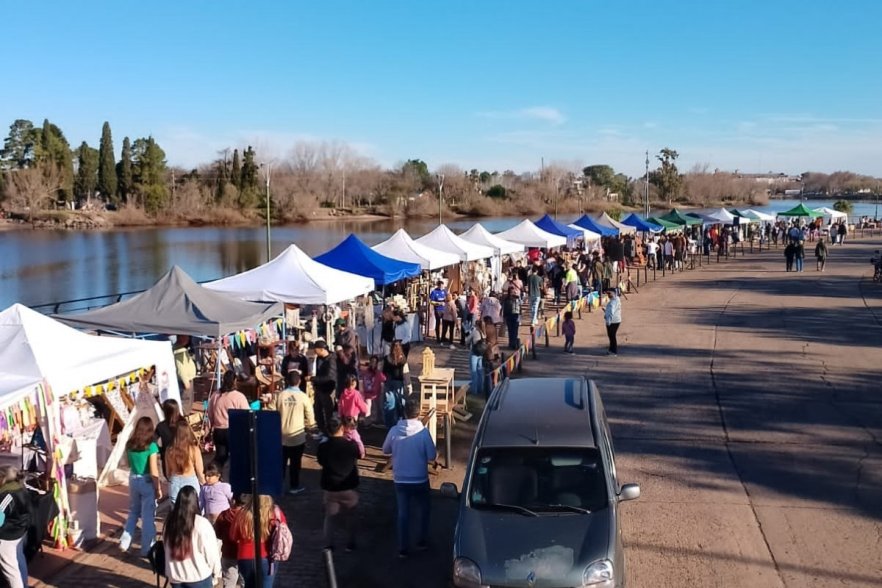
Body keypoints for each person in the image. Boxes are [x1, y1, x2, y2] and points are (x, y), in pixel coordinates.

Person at [382, 395, 436, 558]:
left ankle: (403, 548)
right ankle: (421, 541)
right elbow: (432, 456)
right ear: (418, 413)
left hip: (401, 479)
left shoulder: (394, 431)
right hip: (420, 478)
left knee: (403, 513)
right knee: (424, 510)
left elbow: (385, 450)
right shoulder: (423, 433)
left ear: (404, 413)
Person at [317, 417, 361, 551]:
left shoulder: (323, 447)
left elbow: (321, 461)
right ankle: (350, 544)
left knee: (330, 518)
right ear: (342, 428)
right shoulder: (351, 445)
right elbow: (358, 455)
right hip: (348, 487)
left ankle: (328, 545)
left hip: (331, 487)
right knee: (351, 517)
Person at [267, 371, 315, 496]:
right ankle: (294, 486)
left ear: (287, 381)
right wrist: (311, 427)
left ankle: (278, 487)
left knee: (280, 464)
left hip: (281, 436)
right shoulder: (304, 397)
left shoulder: (280, 395)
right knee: (295, 464)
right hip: (297, 437)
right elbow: (310, 415)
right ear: (299, 381)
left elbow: (270, 411)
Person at [163, 485, 221, 588]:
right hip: (198, 577)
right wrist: (216, 572)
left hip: (175, 576)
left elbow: (165, 546)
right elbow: (211, 552)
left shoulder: (169, 522)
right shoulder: (201, 523)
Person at [120, 416, 162, 555]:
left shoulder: (130, 444)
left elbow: (127, 463)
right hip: (146, 481)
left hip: (133, 478)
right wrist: (158, 488)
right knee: (148, 516)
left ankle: (125, 541)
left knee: (133, 512)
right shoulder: (151, 446)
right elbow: (153, 469)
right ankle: (147, 548)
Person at [231, 494, 284, 588]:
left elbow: (233, 536)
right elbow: (283, 534)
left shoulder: (241, 513)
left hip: (245, 557)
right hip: (267, 557)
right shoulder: (275, 513)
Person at [208, 371, 250, 471]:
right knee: (237, 457)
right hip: (232, 430)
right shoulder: (239, 397)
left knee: (220, 457)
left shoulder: (215, 395)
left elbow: (210, 414)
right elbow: (246, 415)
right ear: (234, 381)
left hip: (218, 430)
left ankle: (214, 474)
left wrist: (209, 428)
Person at [0, 466, 30, 588]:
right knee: (19, 560)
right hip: (20, 531)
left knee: (10, 570)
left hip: (7, 535)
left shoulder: (7, 495)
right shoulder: (22, 488)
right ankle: (24, 584)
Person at [166, 424, 205, 505]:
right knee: (194, 511)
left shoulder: (169, 450)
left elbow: (168, 472)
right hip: (191, 481)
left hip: (175, 481)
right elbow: (200, 472)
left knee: (175, 512)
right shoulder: (194, 449)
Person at [213, 495, 244, 588]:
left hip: (228, 552)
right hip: (244, 553)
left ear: (233, 501)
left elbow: (217, 533)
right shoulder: (248, 515)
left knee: (229, 581)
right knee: (245, 581)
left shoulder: (224, 515)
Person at [382, 341, 411, 429]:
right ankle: (401, 423)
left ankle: (390, 426)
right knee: (400, 404)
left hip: (389, 383)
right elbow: (406, 373)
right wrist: (408, 384)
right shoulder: (402, 360)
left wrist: (383, 382)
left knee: (390, 404)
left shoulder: (387, 359)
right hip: (399, 384)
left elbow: (383, 372)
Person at [311, 340, 338, 434]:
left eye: (316, 349)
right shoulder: (319, 358)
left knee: (328, 412)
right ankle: (321, 429)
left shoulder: (331, 359)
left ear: (322, 349)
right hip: (318, 388)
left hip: (327, 389)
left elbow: (330, 377)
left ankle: (330, 431)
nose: (314, 351)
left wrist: (313, 379)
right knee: (317, 410)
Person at [156, 398, 184, 478]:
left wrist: (161, 450)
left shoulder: (161, 426)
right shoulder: (183, 423)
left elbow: (153, 441)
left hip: (167, 457)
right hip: (183, 454)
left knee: (171, 479)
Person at [174, 335, 198, 415]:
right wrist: (186, 382)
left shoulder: (181, 349)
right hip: (185, 381)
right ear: (181, 337)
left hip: (187, 379)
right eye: (186, 337)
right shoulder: (179, 351)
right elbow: (180, 368)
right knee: (185, 402)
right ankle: (184, 418)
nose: (188, 339)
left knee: (188, 402)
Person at [359, 356, 386, 426]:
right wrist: (361, 391)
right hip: (367, 394)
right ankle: (367, 422)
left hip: (376, 394)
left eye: (375, 362)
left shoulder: (379, 373)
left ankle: (378, 420)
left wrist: (382, 391)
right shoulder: (365, 372)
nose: (373, 363)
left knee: (377, 407)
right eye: (372, 362)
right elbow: (361, 381)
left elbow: (383, 381)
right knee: (368, 408)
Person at [466, 318, 486, 396]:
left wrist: (467, 332)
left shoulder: (475, 332)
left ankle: (474, 390)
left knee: (474, 372)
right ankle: (480, 388)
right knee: (480, 371)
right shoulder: (484, 333)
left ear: (477, 325)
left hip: (474, 352)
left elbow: (467, 340)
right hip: (481, 353)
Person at [603, 290, 622, 356]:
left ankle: (614, 351)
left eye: (609, 293)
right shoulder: (615, 300)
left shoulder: (613, 302)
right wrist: (605, 310)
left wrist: (608, 321)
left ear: (613, 293)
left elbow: (611, 312)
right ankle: (611, 349)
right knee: (611, 336)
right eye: (607, 293)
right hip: (616, 320)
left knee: (612, 336)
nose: (608, 295)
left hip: (613, 321)